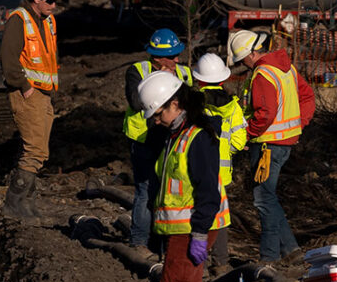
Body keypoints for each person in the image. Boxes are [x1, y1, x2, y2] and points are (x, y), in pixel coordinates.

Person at [135, 72, 226, 282]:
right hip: (182, 230)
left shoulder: (197, 137)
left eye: (159, 113)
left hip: (191, 230)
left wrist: (200, 232)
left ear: (176, 104)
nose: (157, 120)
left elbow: (207, 192)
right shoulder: (176, 136)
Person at [226, 27, 315, 262]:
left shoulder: (262, 74)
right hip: (283, 142)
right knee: (269, 197)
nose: (242, 63)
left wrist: (247, 134)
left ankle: (270, 257)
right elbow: (307, 97)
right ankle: (291, 250)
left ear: (250, 54)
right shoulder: (286, 69)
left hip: (267, 144)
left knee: (263, 199)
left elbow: (265, 114)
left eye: (242, 58)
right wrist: (299, 123)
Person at [0, 0, 63, 218]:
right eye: (49, 1)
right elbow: (8, 58)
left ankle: (26, 203)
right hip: (28, 92)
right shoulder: (19, 20)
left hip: (43, 93)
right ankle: (14, 204)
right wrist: (25, 87)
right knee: (34, 149)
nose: (53, 5)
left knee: (40, 151)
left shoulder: (48, 21)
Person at [123, 30, 193, 249]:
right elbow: (136, 102)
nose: (177, 60)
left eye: (177, 56)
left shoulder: (184, 73)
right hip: (144, 140)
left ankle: (162, 243)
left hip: (172, 141)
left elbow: (191, 101)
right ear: (157, 57)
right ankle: (139, 243)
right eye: (172, 57)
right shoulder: (137, 71)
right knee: (145, 190)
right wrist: (160, 81)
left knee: (167, 192)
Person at [192, 52, 246, 268]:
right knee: (220, 217)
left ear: (199, 79)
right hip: (221, 173)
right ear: (223, 79)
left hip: (196, 169)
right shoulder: (233, 106)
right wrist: (225, 151)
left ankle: (199, 263)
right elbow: (240, 140)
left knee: (198, 213)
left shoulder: (193, 104)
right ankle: (221, 262)